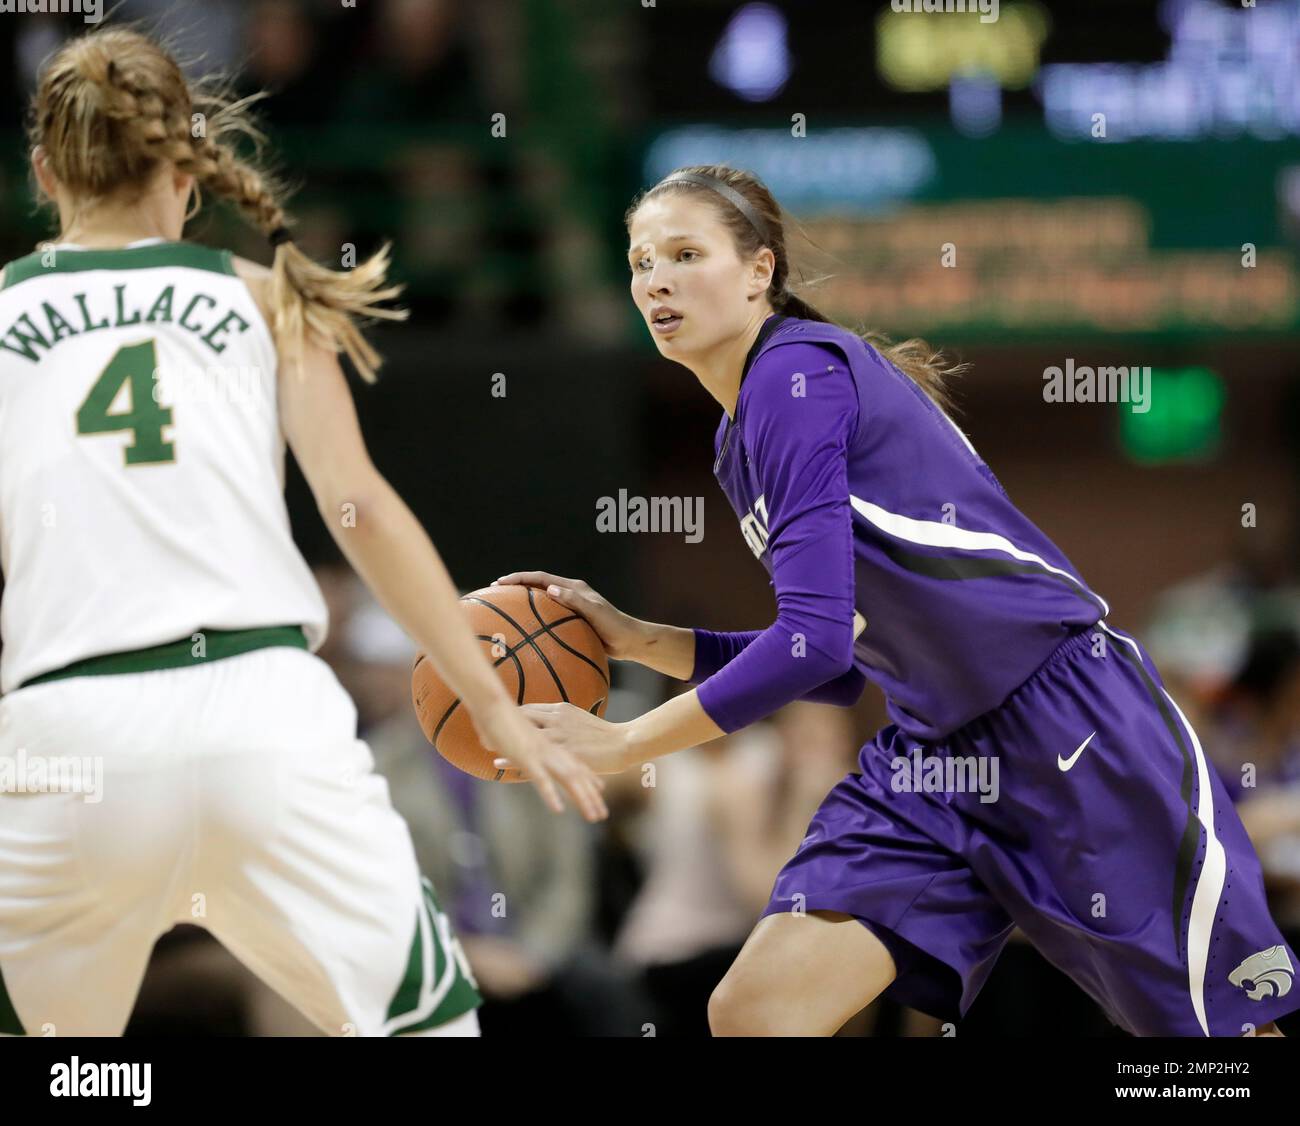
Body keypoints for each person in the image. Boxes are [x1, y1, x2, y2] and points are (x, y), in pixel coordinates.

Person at [494, 163, 1298, 1037]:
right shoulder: (738, 438)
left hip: (1070, 726)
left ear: (760, 270)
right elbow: (836, 667)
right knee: (758, 1011)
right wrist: (639, 639)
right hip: (935, 761)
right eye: (642, 261)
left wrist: (625, 740)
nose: (656, 280)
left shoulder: (793, 379)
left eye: (687, 254)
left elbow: (814, 646)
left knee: (1222, 1048)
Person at [0, 25, 605, 1039]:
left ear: (43, 173)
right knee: (430, 1029)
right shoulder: (268, 298)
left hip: (72, 736)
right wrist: (490, 702)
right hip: (265, 723)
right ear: (186, 172)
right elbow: (357, 506)